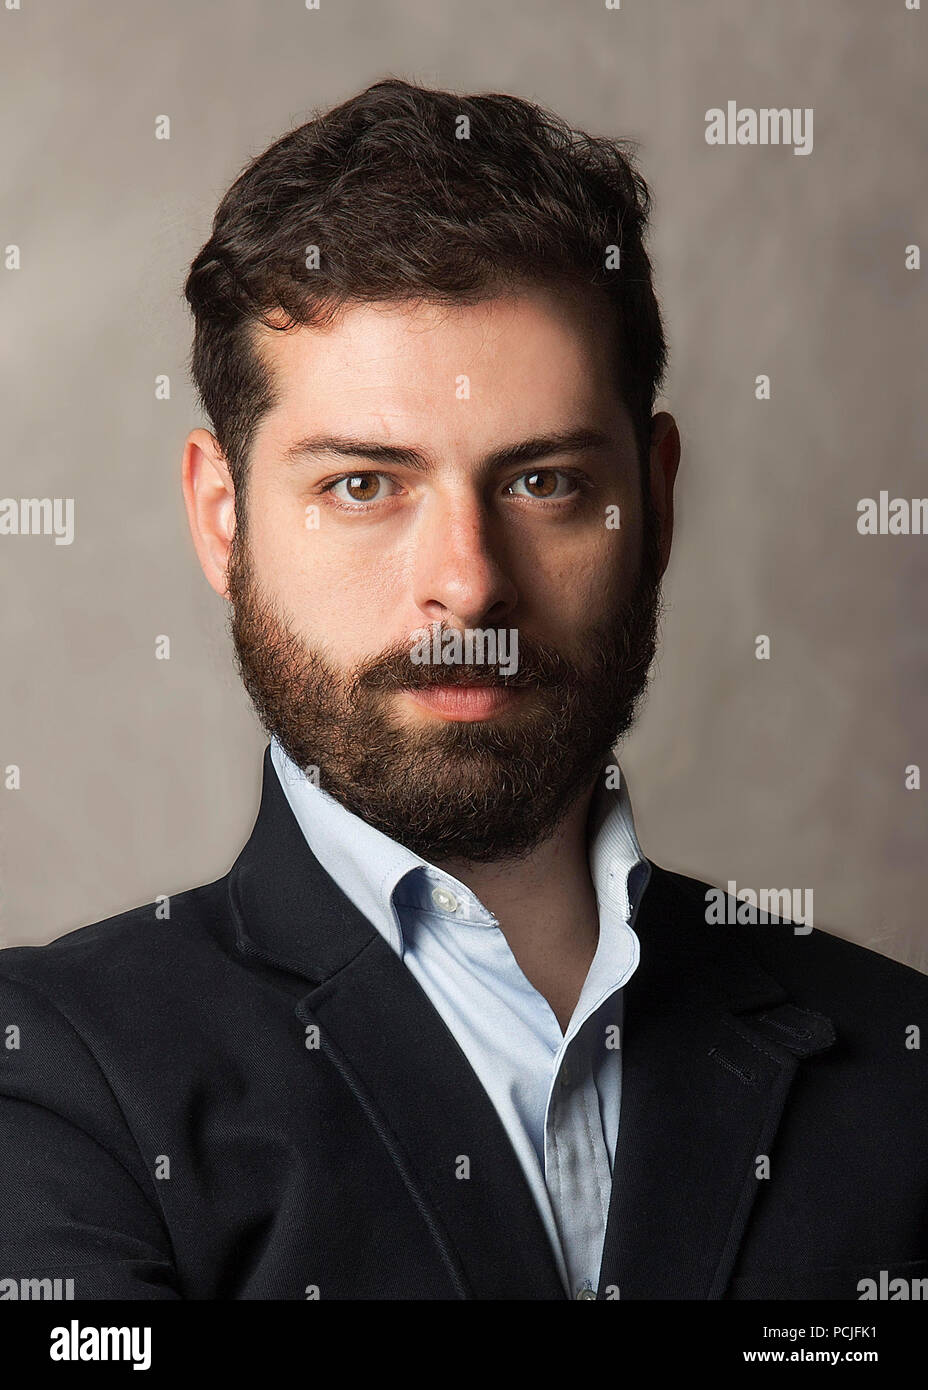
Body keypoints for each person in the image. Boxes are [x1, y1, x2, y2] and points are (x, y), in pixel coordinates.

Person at [1, 79, 925, 1302]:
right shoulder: (54, 1081)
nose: (467, 588)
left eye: (540, 481)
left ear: (654, 500)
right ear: (222, 522)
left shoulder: (902, 1067)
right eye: (364, 485)